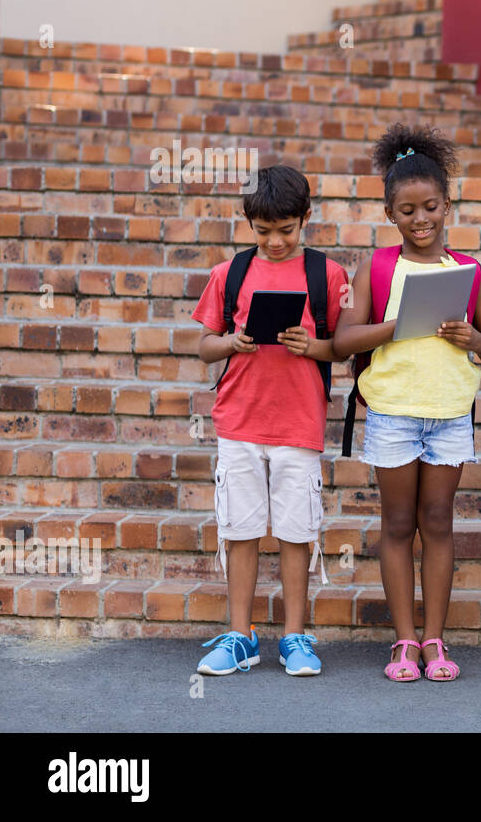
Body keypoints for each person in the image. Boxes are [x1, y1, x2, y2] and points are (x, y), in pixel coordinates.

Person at [332, 124, 481, 682]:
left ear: (447, 204)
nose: (420, 219)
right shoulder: (377, 268)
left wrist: (471, 341)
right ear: (390, 213)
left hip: (449, 414)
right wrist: (395, 326)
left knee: (438, 521)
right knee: (398, 523)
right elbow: (341, 342)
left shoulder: (468, 271)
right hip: (394, 413)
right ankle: (403, 641)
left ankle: (435, 638)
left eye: (430, 207)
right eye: (406, 211)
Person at [192, 164, 348, 677]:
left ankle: (295, 637)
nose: (276, 241)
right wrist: (232, 342)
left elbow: (342, 347)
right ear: (248, 223)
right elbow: (204, 345)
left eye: (286, 230)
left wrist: (313, 347)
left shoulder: (326, 274)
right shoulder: (229, 273)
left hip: (298, 423)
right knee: (239, 529)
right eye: (263, 232)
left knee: (296, 531)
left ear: (306, 219)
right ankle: (241, 636)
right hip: (239, 420)